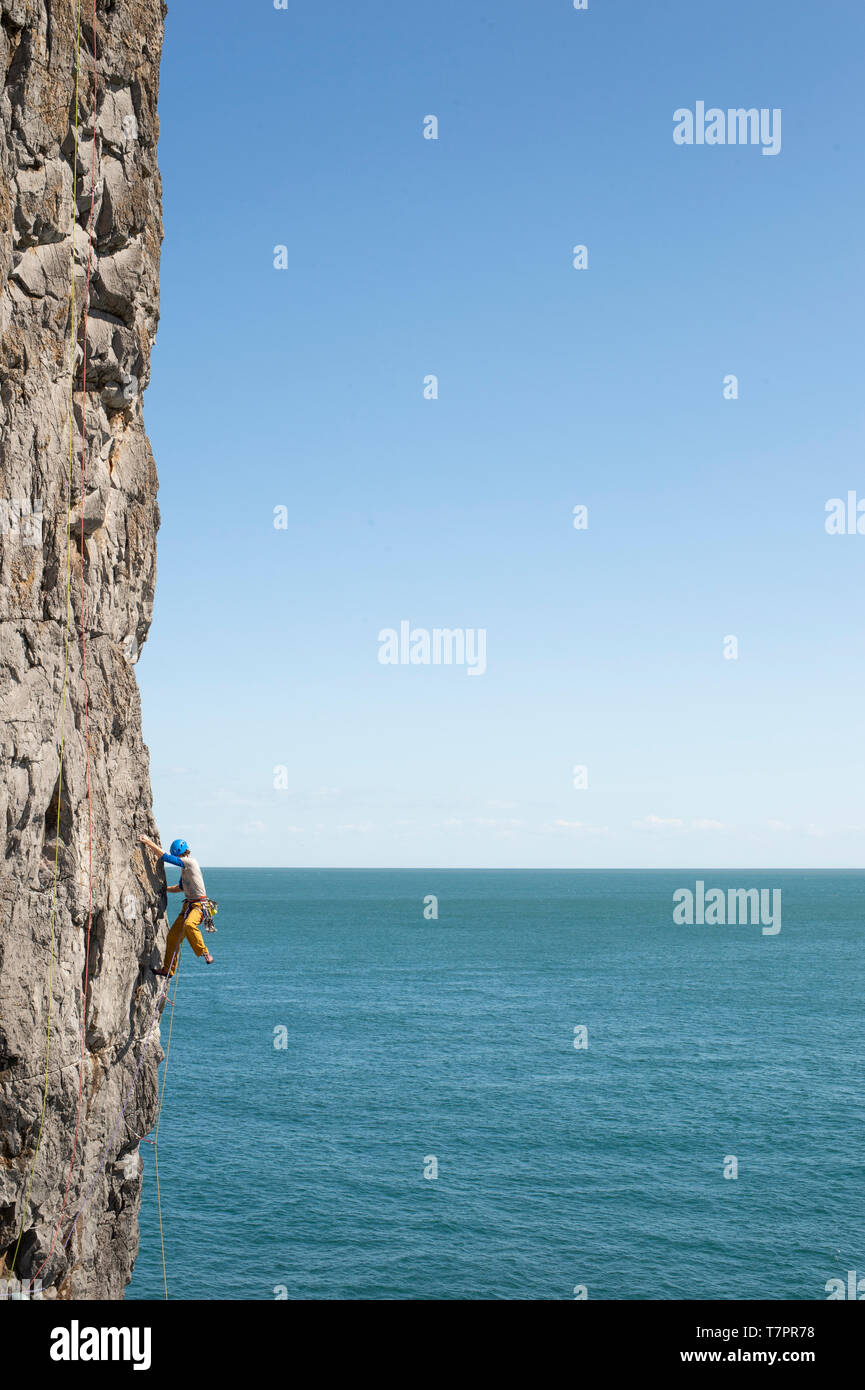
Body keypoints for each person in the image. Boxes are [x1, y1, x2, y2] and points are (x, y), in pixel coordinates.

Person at [139, 834, 214, 975]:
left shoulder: (190, 862)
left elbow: (166, 857)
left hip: (199, 906)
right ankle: (168, 969)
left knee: (189, 925)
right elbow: (179, 888)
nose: (178, 859)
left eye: (178, 856)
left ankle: (205, 953)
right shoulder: (185, 870)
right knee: (172, 937)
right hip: (189, 906)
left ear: (182, 853)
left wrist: (149, 843)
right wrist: (163, 888)